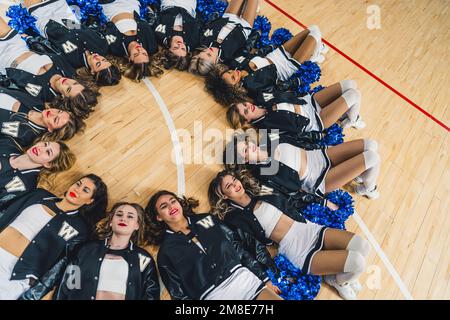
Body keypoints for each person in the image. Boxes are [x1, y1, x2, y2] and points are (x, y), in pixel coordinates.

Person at [209, 170, 371, 300]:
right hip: (297, 248)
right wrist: (269, 275)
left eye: (234, 180)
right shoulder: (235, 218)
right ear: (224, 195)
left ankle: (338, 275)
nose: (235, 184)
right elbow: (252, 246)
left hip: (308, 228)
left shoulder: (260, 189)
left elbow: (291, 199)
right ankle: (337, 281)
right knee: (357, 263)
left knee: (363, 247)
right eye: (228, 186)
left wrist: (322, 202)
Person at [145, 190, 282, 300]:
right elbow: (179, 295)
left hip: (244, 280)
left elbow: (237, 248)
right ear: (159, 217)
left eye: (173, 201)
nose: (171, 207)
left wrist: (263, 277)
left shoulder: (208, 219)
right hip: (214, 295)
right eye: (164, 206)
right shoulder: (165, 252)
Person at [20, 202, 160, 300]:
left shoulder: (144, 258)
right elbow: (68, 285)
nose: (123, 218)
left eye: (130, 216)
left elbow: (151, 295)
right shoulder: (87, 249)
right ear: (111, 221)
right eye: (119, 214)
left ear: (136, 225)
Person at [0, 174, 108, 300]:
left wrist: (37, 291)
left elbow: (63, 265)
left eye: (85, 190)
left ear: (90, 200)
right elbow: (5, 208)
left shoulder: (81, 229)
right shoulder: (40, 195)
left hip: (15, 275)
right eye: (78, 184)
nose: (77, 189)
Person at [225, 132, 381, 199]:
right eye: (245, 150)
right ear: (245, 160)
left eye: (246, 143)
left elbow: (298, 140)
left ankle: (361, 176)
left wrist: (318, 137)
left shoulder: (269, 139)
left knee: (371, 145)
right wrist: (323, 201)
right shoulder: (264, 173)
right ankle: (366, 188)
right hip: (320, 179)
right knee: (372, 158)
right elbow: (291, 193)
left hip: (320, 156)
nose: (249, 145)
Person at [205, 25, 327, 106]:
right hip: (287, 67)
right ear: (235, 89)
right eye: (232, 78)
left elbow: (248, 52)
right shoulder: (253, 89)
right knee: (315, 33)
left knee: (312, 29)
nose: (233, 72)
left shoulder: (235, 64)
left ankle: (315, 53)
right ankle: (315, 54)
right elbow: (275, 94)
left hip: (277, 54)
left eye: (229, 72)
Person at [0, 17, 100, 113]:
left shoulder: (43, 95)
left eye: (68, 89)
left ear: (64, 97)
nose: (67, 82)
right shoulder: (68, 71)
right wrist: (29, 38)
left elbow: (12, 87)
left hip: (3, 59)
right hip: (17, 44)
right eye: (75, 83)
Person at [24, 0, 121, 86]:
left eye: (98, 64)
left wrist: (29, 38)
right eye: (104, 60)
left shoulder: (72, 63)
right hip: (65, 14)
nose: (98, 58)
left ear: (92, 72)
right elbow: (89, 26)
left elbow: (48, 49)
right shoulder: (102, 46)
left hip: (47, 23)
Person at [227, 80, 366, 133]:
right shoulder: (265, 129)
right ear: (247, 121)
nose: (248, 106)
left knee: (350, 84)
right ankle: (351, 120)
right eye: (245, 111)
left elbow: (280, 93)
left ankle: (345, 113)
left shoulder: (260, 98)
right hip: (315, 119)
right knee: (354, 94)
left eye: (245, 104)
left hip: (308, 102)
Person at [188, 0, 259, 75]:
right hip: (244, 26)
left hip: (228, 16)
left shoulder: (204, 41)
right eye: (209, 54)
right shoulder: (229, 58)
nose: (208, 50)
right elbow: (245, 49)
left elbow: (210, 25)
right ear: (215, 63)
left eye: (203, 51)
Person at [0, 137, 75, 205]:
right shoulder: (9, 143)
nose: (41, 148)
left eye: (48, 152)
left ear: (48, 164)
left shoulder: (26, 187)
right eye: (45, 144)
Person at [98, 0, 162, 81]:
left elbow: (104, 27)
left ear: (129, 58)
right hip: (133, 2)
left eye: (135, 54)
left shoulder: (116, 48)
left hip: (110, 5)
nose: (139, 49)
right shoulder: (150, 45)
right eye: (144, 53)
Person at [0, 89, 85, 147]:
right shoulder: (38, 103)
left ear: (51, 130)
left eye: (55, 119)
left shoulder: (25, 137)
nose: (52, 113)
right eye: (59, 111)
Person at [154, 0, 202, 71]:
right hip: (188, 5)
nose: (180, 44)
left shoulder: (159, 35)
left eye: (176, 47)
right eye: (183, 48)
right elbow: (197, 21)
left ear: (169, 49)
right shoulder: (193, 41)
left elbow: (157, 16)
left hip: (169, 3)